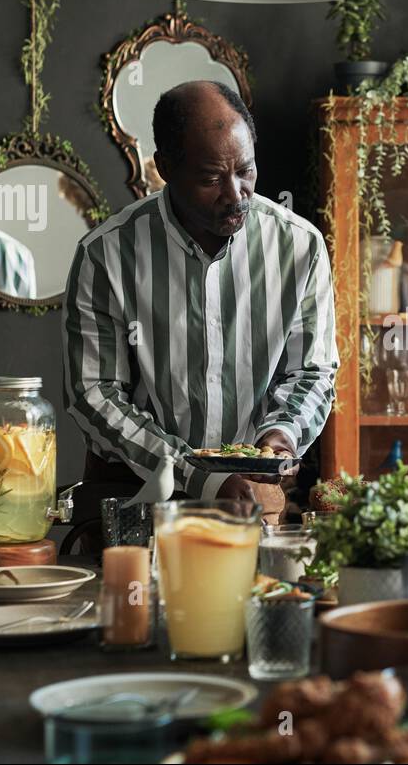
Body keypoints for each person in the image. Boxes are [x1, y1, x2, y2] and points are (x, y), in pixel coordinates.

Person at [63, 80, 338, 509]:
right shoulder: (107, 254)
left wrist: (281, 438)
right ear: (166, 168)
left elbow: (313, 372)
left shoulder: (299, 247)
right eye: (211, 178)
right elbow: (96, 395)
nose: (235, 195)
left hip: (256, 495)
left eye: (245, 170)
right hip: (135, 495)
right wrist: (195, 475)